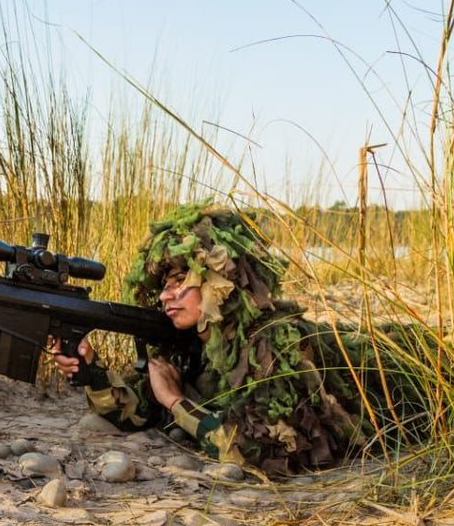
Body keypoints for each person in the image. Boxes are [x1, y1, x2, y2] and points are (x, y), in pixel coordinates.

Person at [51, 202, 434, 476]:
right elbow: (138, 413)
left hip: (403, 376)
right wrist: (91, 373)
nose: (166, 296)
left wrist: (176, 400)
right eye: (163, 286)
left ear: (221, 282)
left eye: (181, 282)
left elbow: (261, 452)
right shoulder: (190, 339)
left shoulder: (268, 345)